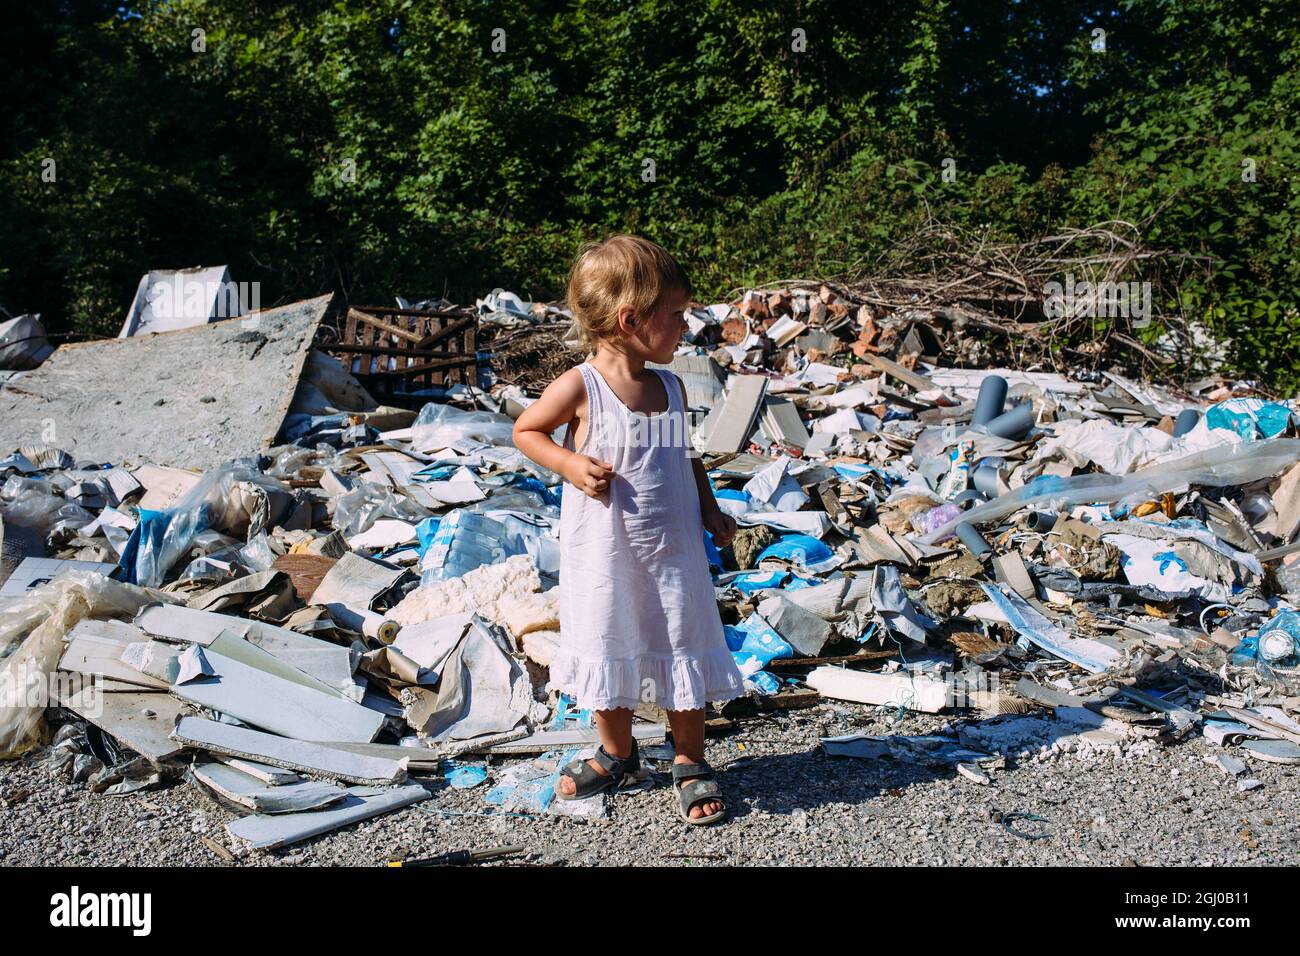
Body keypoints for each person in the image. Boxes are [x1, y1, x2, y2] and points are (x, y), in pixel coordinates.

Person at [511, 234, 746, 825]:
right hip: (606, 556)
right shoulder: (580, 387)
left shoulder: (670, 386)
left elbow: (683, 455)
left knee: (681, 639)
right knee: (607, 640)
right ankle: (618, 752)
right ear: (630, 319)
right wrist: (570, 464)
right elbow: (527, 432)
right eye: (677, 316)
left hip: (673, 552)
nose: (685, 328)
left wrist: (710, 508)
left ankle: (688, 758)